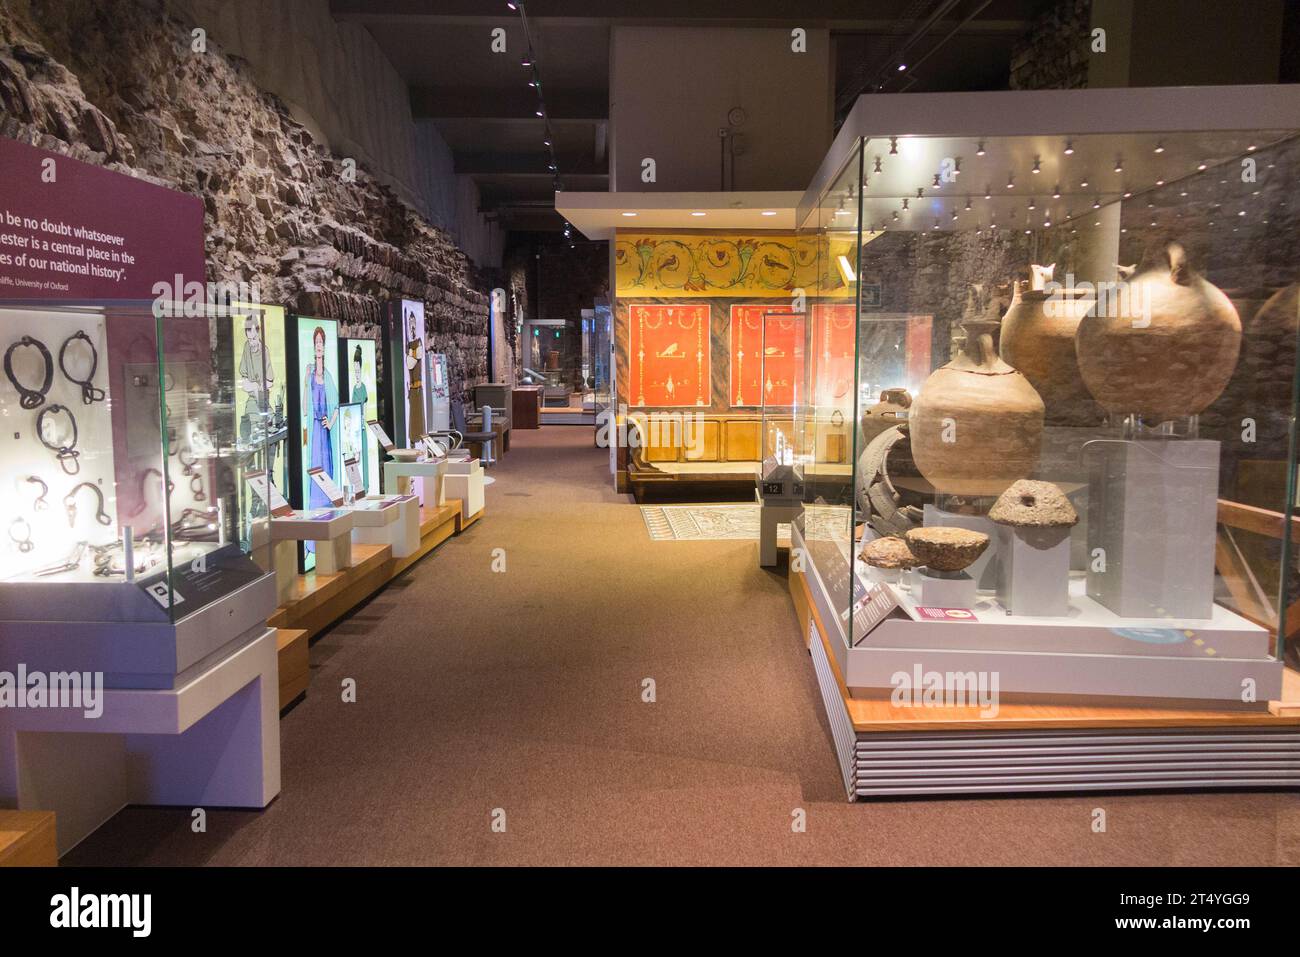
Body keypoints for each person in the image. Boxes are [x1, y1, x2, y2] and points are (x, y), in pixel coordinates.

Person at [302, 326, 338, 509]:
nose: (318, 345)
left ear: (324, 346)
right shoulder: (309, 374)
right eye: (316, 342)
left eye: (321, 342)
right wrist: (306, 382)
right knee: (315, 467)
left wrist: (330, 423)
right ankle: (316, 508)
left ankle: (327, 506)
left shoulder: (328, 375)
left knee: (326, 467)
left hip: (324, 432)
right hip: (315, 430)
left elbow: (337, 406)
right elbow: (305, 409)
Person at [350, 343, 370, 493]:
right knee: (355, 457)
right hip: (355, 426)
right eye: (355, 370)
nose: (357, 373)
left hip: (361, 426)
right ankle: (357, 487)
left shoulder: (362, 387)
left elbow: (364, 406)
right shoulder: (354, 389)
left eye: (358, 370)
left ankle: (366, 486)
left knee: (362, 458)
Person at [406, 310, 425, 441]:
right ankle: (413, 438)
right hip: (412, 388)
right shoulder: (410, 344)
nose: (412, 327)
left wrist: (411, 354)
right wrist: (411, 355)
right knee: (413, 414)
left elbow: (415, 358)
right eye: (410, 324)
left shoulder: (417, 342)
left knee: (419, 413)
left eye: (413, 324)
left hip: (418, 387)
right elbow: (409, 363)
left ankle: (420, 437)